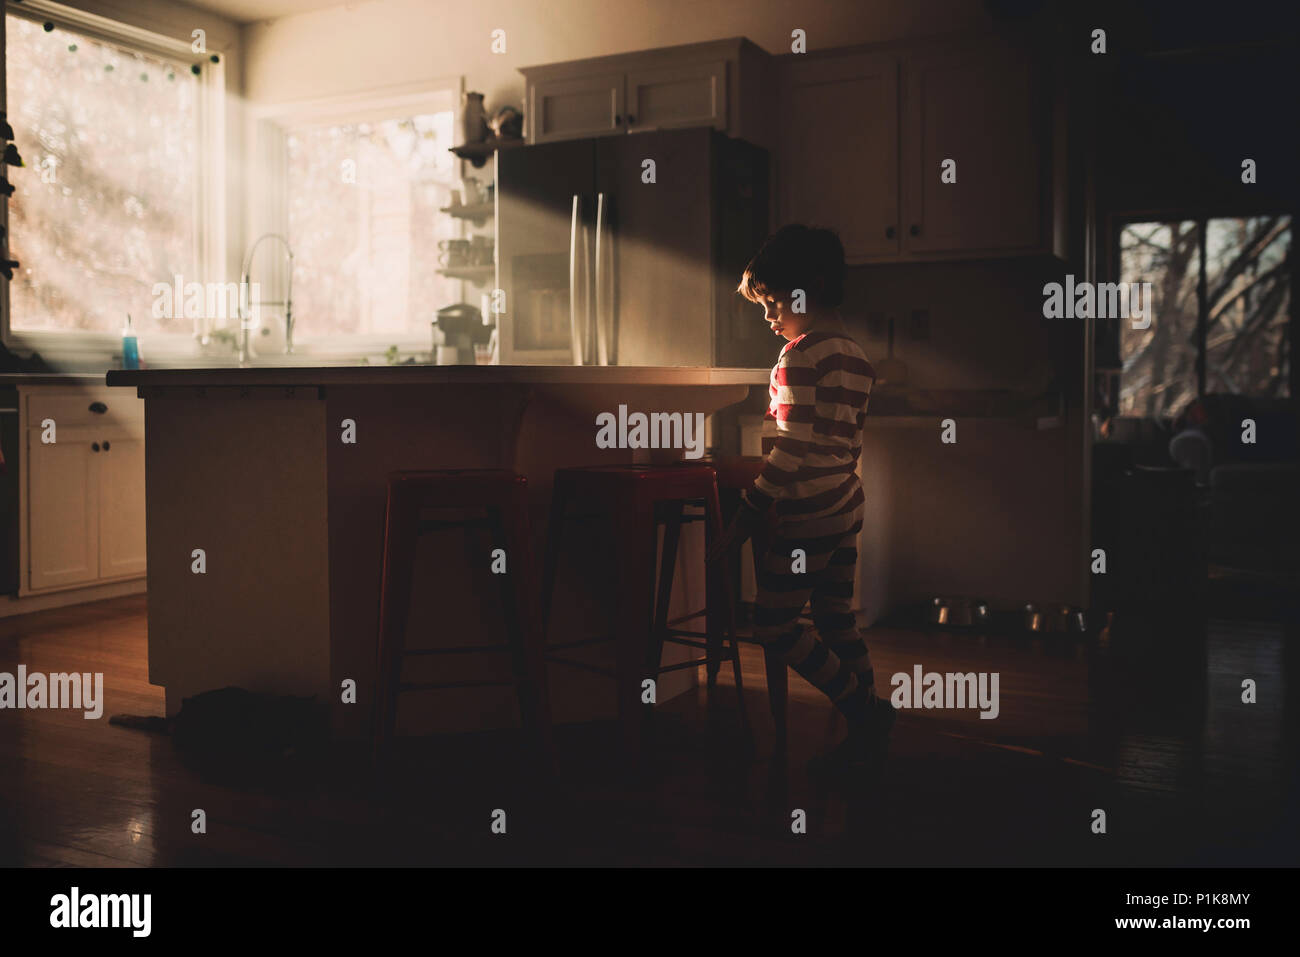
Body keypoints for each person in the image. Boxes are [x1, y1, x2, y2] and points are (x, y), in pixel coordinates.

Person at [708, 224, 895, 775]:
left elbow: (789, 451)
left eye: (773, 301)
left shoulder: (797, 358)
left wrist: (748, 514)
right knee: (836, 617)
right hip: (846, 503)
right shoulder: (858, 356)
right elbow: (846, 441)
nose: (769, 317)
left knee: (774, 626)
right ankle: (867, 726)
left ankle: (864, 711)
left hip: (809, 512)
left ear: (807, 289)